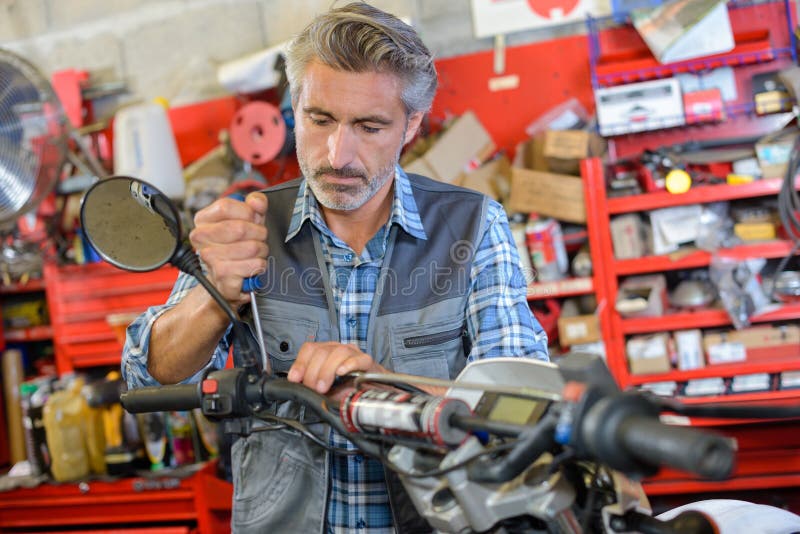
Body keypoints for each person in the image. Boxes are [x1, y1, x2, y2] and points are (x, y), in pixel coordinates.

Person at [122, 2, 548, 532]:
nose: (337, 154)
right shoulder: (248, 224)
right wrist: (215, 297)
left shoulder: (474, 226)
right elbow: (146, 376)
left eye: (369, 126)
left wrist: (382, 387)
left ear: (412, 124)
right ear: (294, 108)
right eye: (319, 119)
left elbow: (524, 403)